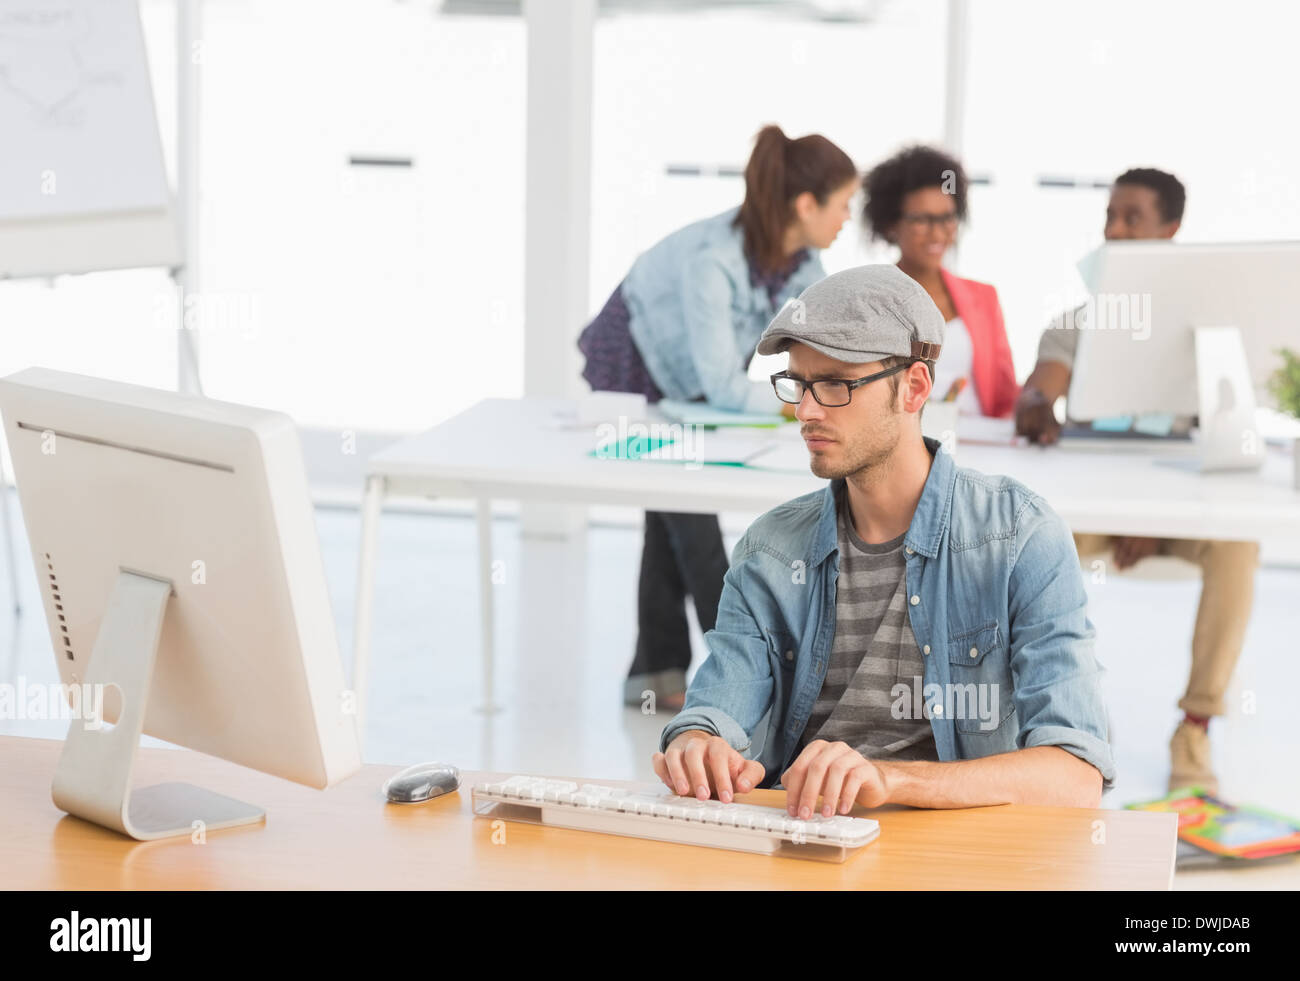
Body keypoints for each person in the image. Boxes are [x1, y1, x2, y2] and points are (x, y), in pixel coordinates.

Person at [651, 265, 1113, 813]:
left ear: (914, 387)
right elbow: (717, 709)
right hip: (809, 841)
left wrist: (893, 781)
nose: (806, 411)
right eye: (799, 384)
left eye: (835, 385)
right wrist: (696, 743)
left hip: (954, 852)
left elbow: (1077, 770)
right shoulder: (770, 551)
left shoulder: (1020, 536)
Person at [578, 125, 858, 712]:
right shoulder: (716, 261)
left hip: (692, 383)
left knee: (670, 511)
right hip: (635, 355)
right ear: (805, 205)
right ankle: (753, 677)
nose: (846, 219)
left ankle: (651, 675)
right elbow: (723, 386)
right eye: (841, 205)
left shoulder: (805, 263)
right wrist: (799, 401)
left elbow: (830, 335)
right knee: (689, 514)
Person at [1014, 167, 1257, 795]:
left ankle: (1196, 726)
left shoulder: (1206, 333)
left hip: (1175, 515)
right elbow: (1046, 381)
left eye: (1132, 218)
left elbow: (1229, 425)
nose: (1115, 231)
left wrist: (1155, 520)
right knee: (1028, 549)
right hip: (1094, 513)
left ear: (1170, 230)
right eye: (1109, 217)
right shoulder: (1075, 321)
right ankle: (1069, 720)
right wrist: (1036, 402)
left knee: (1239, 546)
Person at [861, 145, 1017, 417]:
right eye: (921, 220)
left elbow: (1005, 397)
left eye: (947, 218)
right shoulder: (869, 299)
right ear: (891, 224)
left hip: (980, 444)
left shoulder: (984, 297)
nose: (937, 234)